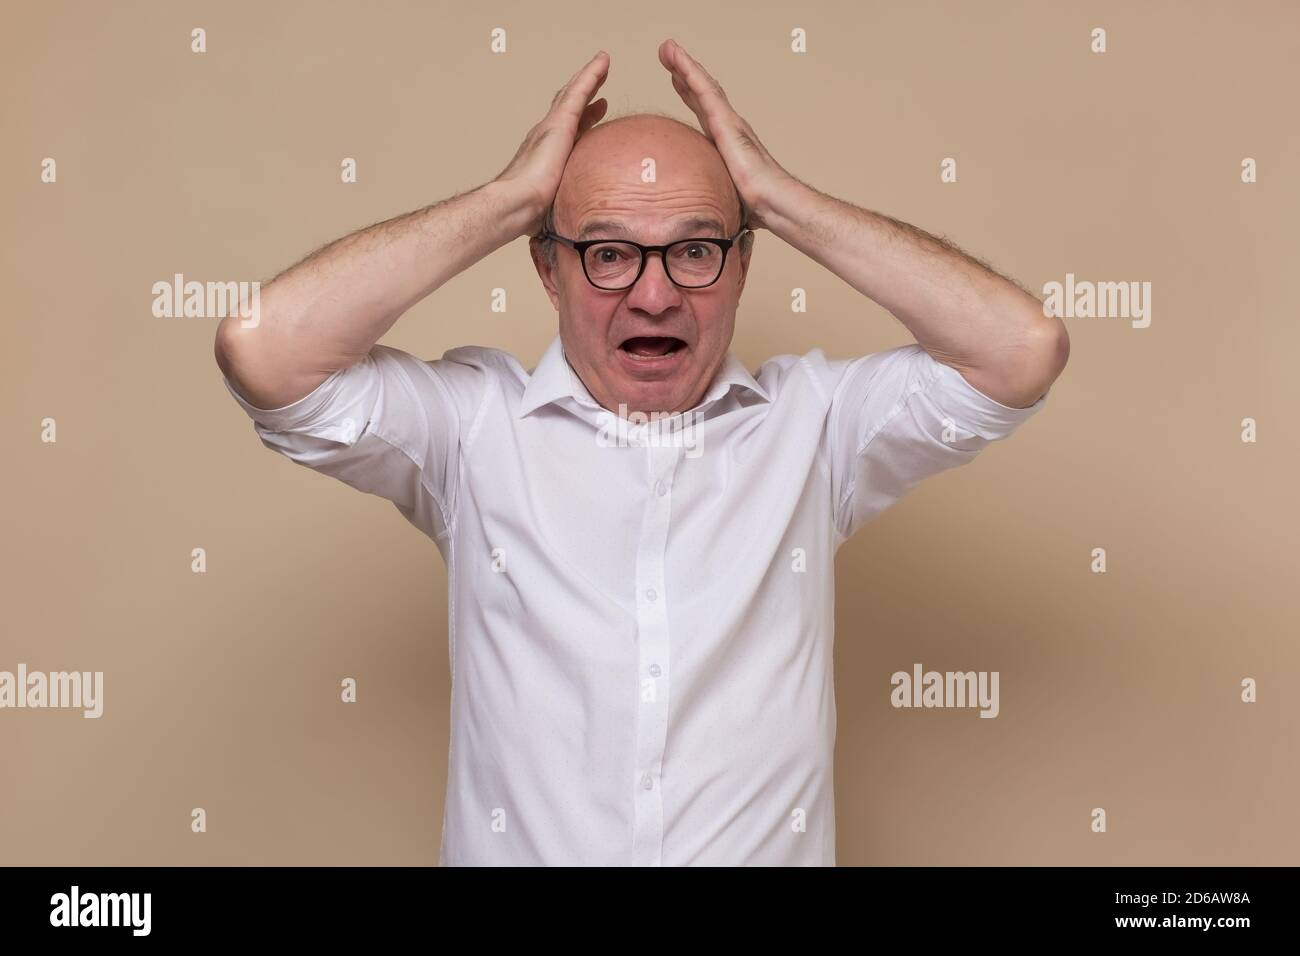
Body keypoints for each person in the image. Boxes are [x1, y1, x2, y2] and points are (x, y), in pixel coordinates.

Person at [215, 39, 1068, 866]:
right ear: (548, 270)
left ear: (741, 266)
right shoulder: (473, 431)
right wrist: (512, 199)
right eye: (608, 253)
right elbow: (266, 352)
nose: (654, 295)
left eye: (696, 250)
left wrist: (776, 197)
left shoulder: (816, 429)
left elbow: (1019, 349)